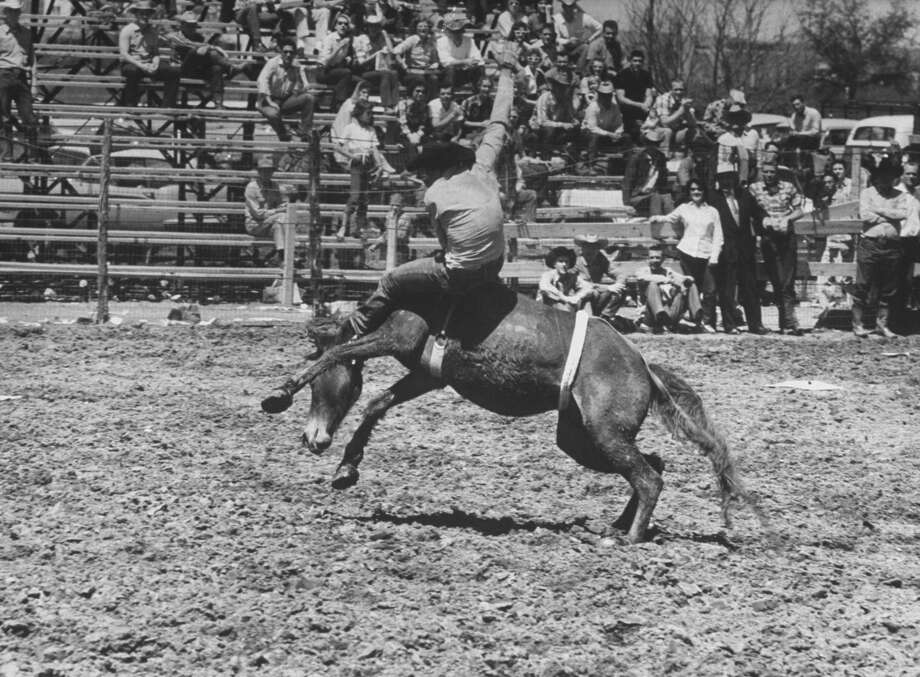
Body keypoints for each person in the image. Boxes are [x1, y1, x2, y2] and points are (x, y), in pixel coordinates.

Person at [345, 56, 517, 338]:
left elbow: (445, 245)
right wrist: (507, 74)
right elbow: (498, 124)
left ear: (439, 169)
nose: (423, 177)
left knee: (390, 281)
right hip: (495, 263)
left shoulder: (435, 194)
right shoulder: (482, 166)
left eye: (425, 172)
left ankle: (355, 332)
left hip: (464, 273)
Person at [853, 157, 916, 338]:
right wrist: (889, 216)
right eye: (882, 176)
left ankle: (882, 324)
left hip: (892, 246)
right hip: (871, 244)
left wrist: (879, 210)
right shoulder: (867, 193)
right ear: (877, 177)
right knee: (863, 284)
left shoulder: (901, 195)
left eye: (889, 177)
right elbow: (865, 215)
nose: (885, 180)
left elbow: (902, 214)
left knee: (889, 288)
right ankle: (858, 323)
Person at [651, 178, 723, 332]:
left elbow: (718, 236)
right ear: (689, 192)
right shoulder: (684, 208)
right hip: (688, 252)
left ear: (704, 192)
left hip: (707, 253)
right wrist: (657, 218)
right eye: (693, 189)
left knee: (710, 290)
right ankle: (689, 320)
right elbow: (669, 218)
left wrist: (715, 256)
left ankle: (708, 322)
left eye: (699, 189)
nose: (696, 192)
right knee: (690, 287)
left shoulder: (712, 211)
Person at [709, 164, 769, 334]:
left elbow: (758, 216)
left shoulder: (745, 196)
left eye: (730, 178)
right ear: (718, 181)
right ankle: (729, 324)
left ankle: (755, 324)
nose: (727, 182)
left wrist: (760, 233)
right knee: (726, 289)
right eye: (723, 178)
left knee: (750, 287)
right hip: (725, 249)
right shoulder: (713, 199)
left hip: (745, 249)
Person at [748, 161, 805, 335]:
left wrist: (788, 219)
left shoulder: (788, 187)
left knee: (787, 281)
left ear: (777, 173)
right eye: (765, 172)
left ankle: (789, 322)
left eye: (772, 172)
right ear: (761, 173)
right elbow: (751, 212)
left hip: (786, 237)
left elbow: (799, 210)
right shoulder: (754, 189)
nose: (769, 175)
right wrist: (762, 222)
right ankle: (785, 322)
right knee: (775, 281)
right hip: (767, 238)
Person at [338, 100, 396, 240]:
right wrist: (352, 156)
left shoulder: (371, 130)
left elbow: (374, 149)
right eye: (367, 113)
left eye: (371, 113)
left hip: (368, 163)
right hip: (357, 162)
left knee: (364, 199)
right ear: (360, 113)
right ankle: (343, 226)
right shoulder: (350, 128)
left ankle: (359, 228)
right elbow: (338, 147)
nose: (370, 116)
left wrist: (380, 166)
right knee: (355, 197)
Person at [165, 12, 240, 108]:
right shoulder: (174, 36)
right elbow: (186, 45)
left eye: (193, 26)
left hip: (197, 70)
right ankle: (230, 67)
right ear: (182, 25)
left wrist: (208, 47)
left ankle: (218, 103)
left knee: (216, 68)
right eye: (189, 25)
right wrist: (208, 47)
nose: (192, 28)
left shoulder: (199, 37)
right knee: (194, 52)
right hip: (181, 71)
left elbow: (205, 50)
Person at [119, 0, 180, 108]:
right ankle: (130, 106)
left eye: (147, 13)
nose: (145, 16)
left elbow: (155, 52)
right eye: (142, 13)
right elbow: (124, 54)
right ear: (136, 14)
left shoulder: (152, 31)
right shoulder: (127, 30)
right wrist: (141, 65)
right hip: (133, 63)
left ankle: (168, 106)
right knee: (132, 72)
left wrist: (155, 63)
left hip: (148, 63)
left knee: (173, 72)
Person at [256, 38, 315, 142]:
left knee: (309, 98)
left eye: (291, 52)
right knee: (273, 114)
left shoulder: (296, 65)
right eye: (285, 52)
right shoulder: (273, 63)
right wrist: (270, 102)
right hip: (268, 99)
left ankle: (305, 132)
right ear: (281, 52)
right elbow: (262, 80)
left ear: (294, 54)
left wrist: (299, 72)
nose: (288, 54)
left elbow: (302, 89)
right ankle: (283, 135)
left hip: (284, 100)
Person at [635, 246, 702, 333]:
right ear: (647, 259)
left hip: (669, 312)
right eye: (652, 258)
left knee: (690, 285)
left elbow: (684, 278)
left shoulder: (667, 271)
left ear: (663, 259)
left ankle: (697, 315)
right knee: (652, 285)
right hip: (649, 314)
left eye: (658, 258)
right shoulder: (641, 271)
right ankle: (659, 315)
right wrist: (669, 280)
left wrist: (687, 279)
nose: (655, 260)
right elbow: (644, 278)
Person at [244, 155, 294, 266]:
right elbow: (257, 213)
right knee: (282, 217)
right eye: (264, 171)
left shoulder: (274, 185)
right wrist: (277, 211)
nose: (267, 174)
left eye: (269, 171)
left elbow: (279, 203)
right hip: (255, 224)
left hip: (272, 223)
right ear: (259, 172)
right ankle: (291, 254)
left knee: (279, 224)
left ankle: (283, 258)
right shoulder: (252, 187)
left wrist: (284, 205)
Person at [0, 0, 34, 160]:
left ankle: (30, 153)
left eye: (17, 11)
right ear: (5, 13)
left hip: (22, 76)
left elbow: (33, 60)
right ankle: (6, 154)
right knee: (4, 117)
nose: (16, 14)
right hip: (3, 74)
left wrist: (35, 84)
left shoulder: (26, 33)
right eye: (12, 11)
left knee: (28, 117)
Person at [350, 14, 400, 112]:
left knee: (394, 73)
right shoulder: (360, 39)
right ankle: (387, 105)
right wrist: (376, 54)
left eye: (376, 26)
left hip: (378, 72)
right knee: (385, 73)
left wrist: (386, 36)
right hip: (364, 72)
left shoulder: (381, 38)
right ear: (367, 27)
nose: (373, 28)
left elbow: (392, 52)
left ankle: (396, 104)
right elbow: (361, 63)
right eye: (371, 26)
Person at [573, 233, 628, 322]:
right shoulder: (575, 261)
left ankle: (605, 317)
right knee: (591, 293)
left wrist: (619, 284)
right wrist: (608, 287)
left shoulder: (601, 259)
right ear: (582, 248)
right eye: (587, 247)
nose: (590, 250)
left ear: (598, 249)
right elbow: (576, 282)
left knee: (620, 290)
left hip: (597, 296)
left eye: (594, 248)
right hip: (580, 298)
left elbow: (620, 274)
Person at [622, 126, 672, 217]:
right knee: (655, 197)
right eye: (650, 143)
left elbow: (663, 180)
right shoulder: (636, 158)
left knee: (667, 198)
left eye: (656, 144)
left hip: (654, 194)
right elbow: (628, 181)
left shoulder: (661, 157)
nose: (653, 146)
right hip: (638, 196)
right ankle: (656, 224)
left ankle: (673, 226)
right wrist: (626, 204)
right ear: (645, 144)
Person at [316, 13, 362, 110]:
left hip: (337, 71)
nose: (343, 26)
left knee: (361, 82)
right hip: (323, 72)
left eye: (345, 24)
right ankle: (338, 104)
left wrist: (349, 59)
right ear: (335, 26)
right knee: (346, 73)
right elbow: (325, 62)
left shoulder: (347, 39)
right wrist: (338, 48)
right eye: (340, 23)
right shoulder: (330, 39)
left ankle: (354, 106)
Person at [392, 18, 441, 101]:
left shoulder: (431, 41)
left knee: (434, 79)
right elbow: (396, 51)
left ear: (429, 29)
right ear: (416, 29)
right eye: (420, 26)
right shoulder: (412, 39)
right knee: (420, 79)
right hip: (411, 72)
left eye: (425, 26)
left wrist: (434, 66)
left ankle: (431, 103)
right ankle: (414, 102)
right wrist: (404, 66)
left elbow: (435, 60)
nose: (423, 28)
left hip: (426, 71)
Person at [582, 80, 624, 173]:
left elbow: (619, 123)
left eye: (608, 95)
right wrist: (610, 134)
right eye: (604, 95)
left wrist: (618, 133)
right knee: (594, 136)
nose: (606, 98)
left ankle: (626, 165)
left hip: (607, 134)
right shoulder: (593, 106)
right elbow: (592, 127)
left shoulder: (615, 106)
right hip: (590, 133)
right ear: (599, 95)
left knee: (627, 138)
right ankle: (591, 166)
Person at [436, 12, 484, 90]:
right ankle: (449, 94)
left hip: (464, 72)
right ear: (448, 32)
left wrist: (470, 63)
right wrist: (465, 61)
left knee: (479, 69)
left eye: (459, 31)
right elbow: (446, 62)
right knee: (450, 70)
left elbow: (477, 58)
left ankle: (478, 94)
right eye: (454, 31)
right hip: (447, 74)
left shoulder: (469, 40)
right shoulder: (442, 41)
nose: (457, 34)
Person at [614, 50, 655, 141]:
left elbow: (649, 95)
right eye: (635, 60)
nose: (637, 63)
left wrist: (647, 104)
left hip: (642, 109)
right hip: (626, 110)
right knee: (629, 134)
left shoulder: (646, 75)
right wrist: (640, 105)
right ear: (630, 61)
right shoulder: (622, 74)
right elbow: (621, 98)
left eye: (640, 61)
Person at [538, 245, 592, 311]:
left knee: (585, 302)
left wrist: (576, 297)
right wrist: (562, 296)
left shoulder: (572, 277)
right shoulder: (548, 275)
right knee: (564, 308)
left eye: (566, 262)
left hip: (564, 305)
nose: (564, 264)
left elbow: (588, 287)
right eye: (560, 261)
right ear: (554, 264)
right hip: (546, 308)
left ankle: (589, 319)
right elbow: (544, 287)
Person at [716, 103, 759, 185]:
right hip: (731, 177)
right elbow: (722, 163)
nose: (735, 121)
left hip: (752, 176)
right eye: (732, 118)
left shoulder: (753, 134)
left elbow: (759, 156)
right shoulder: (723, 139)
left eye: (738, 117)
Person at [552, 0, 601, 70]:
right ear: (563, 7)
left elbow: (600, 28)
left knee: (586, 47)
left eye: (571, 6)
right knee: (558, 47)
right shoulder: (556, 18)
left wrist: (590, 40)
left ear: (575, 6)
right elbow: (555, 38)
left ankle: (579, 72)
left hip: (577, 47)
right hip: (563, 48)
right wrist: (568, 41)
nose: (569, 9)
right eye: (566, 6)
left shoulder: (582, 16)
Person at [652, 79, 696, 156]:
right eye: (676, 89)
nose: (679, 92)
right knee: (667, 131)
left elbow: (693, 123)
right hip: (654, 129)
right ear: (671, 90)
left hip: (674, 130)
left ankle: (685, 155)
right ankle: (664, 156)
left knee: (693, 131)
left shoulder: (684, 101)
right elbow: (664, 122)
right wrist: (680, 111)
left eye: (681, 90)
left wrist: (687, 111)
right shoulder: (663, 99)